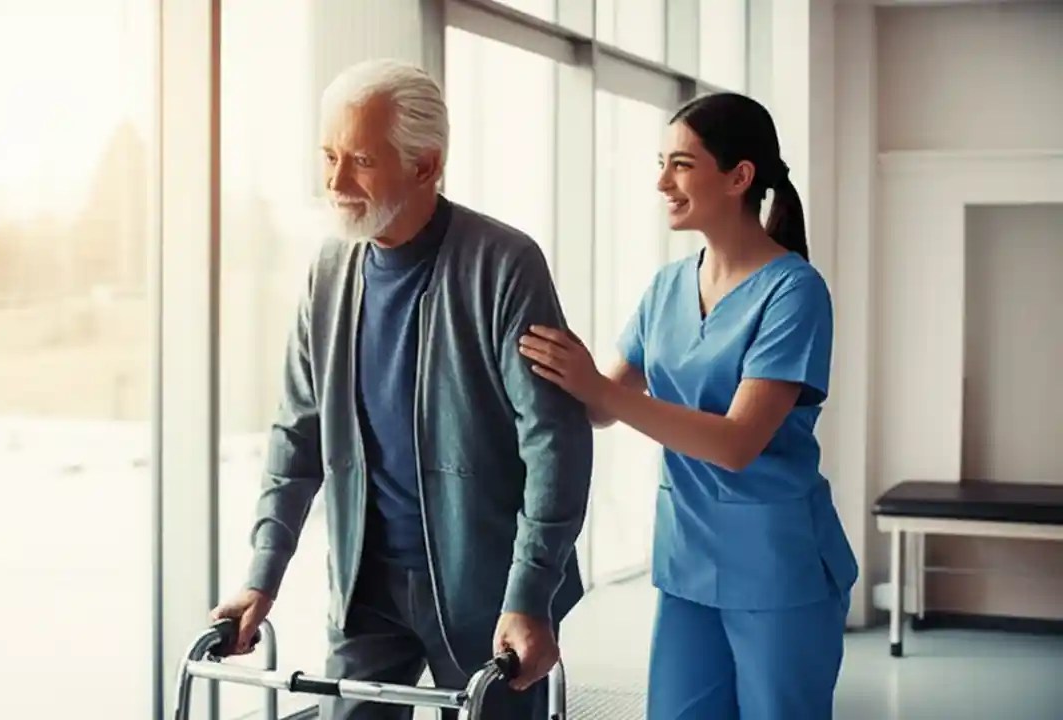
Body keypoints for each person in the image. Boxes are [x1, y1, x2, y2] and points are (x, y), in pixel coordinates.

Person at [209, 58, 593, 719]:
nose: (333, 181)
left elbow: (553, 443)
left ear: (424, 165)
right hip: (369, 587)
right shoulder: (328, 269)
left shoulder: (505, 264)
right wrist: (260, 577)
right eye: (328, 156)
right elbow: (297, 435)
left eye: (358, 160)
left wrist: (530, 595)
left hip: (490, 592)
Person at [518, 92, 859, 720]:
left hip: (776, 568)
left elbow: (737, 443)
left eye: (680, 164)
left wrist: (602, 390)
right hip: (687, 563)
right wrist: (539, 366)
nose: (661, 182)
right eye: (661, 163)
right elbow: (602, 405)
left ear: (738, 177)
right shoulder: (666, 286)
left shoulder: (794, 291)